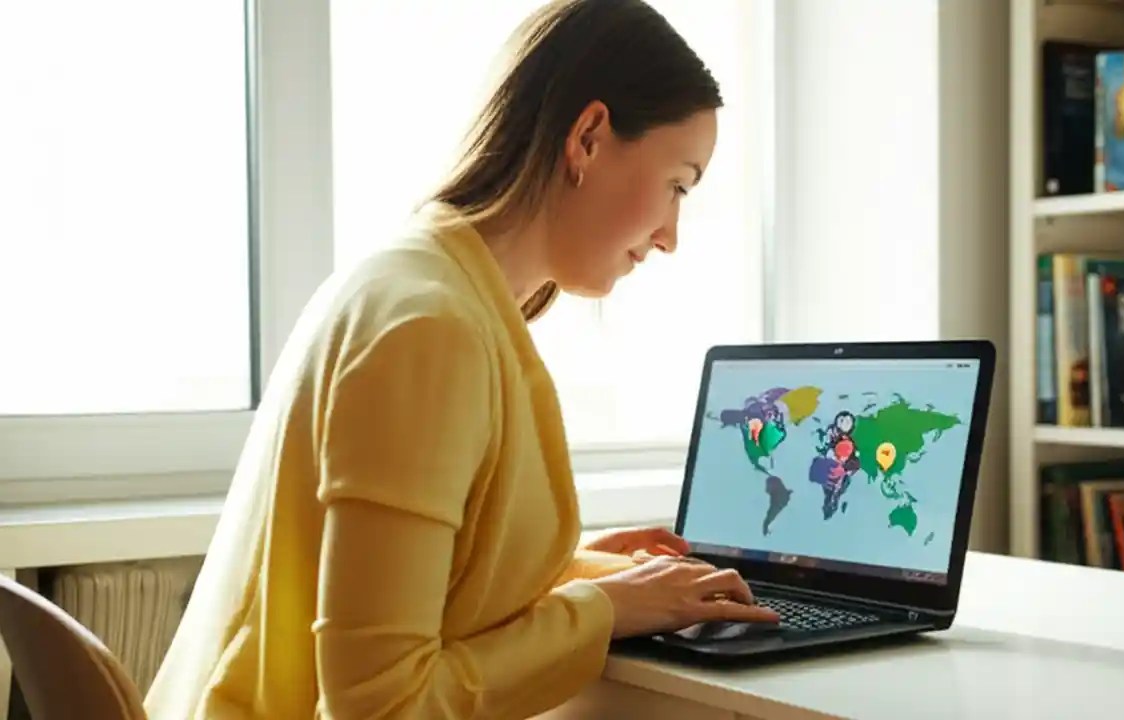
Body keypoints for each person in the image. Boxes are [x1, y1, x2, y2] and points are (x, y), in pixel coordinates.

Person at [144, 0, 779, 718]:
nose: (670, 235)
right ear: (590, 137)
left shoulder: (416, 280)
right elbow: (380, 706)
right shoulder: (429, 328)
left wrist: (564, 569)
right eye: (677, 184)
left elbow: (388, 589)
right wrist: (600, 608)